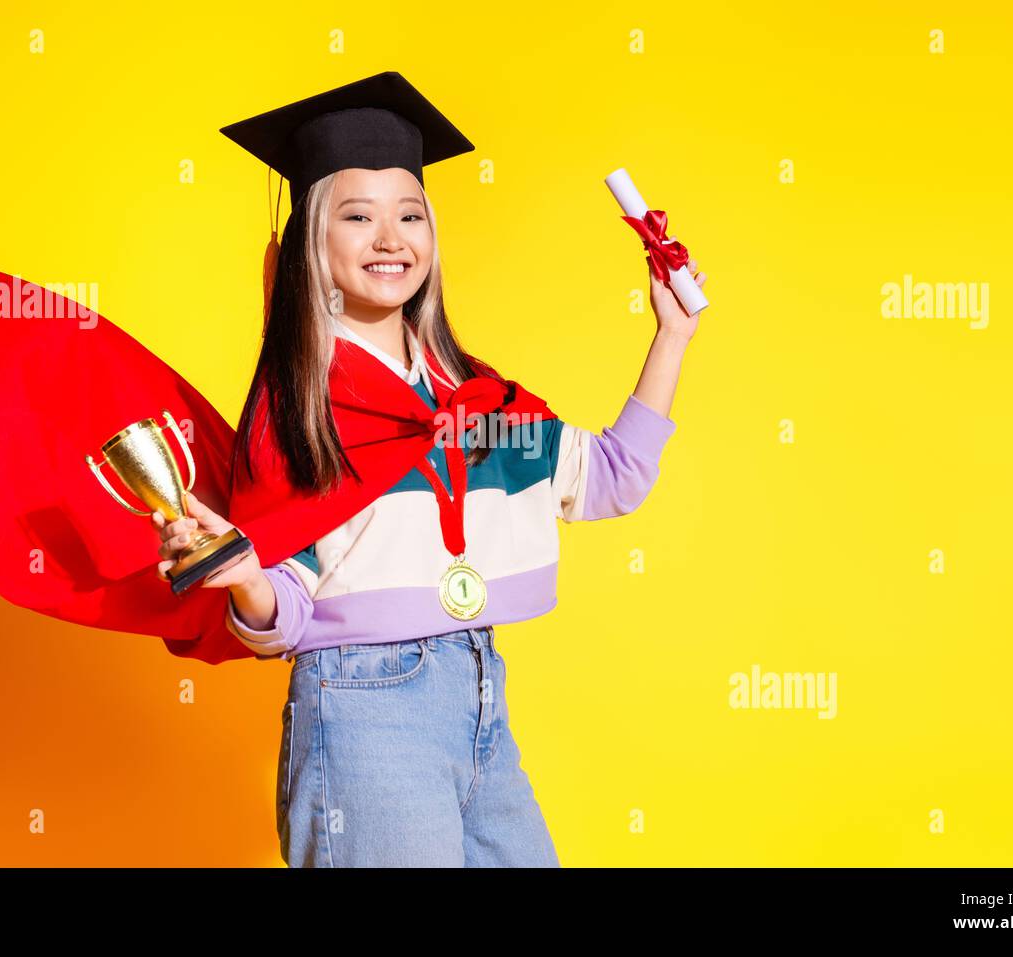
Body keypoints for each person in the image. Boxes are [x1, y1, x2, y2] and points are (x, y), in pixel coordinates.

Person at [148, 71, 705, 867]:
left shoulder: (476, 400)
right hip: (365, 714)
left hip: (479, 695)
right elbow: (292, 608)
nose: (390, 237)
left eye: (410, 214)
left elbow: (611, 477)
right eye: (358, 215)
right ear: (312, 239)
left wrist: (672, 336)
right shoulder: (301, 411)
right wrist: (242, 573)